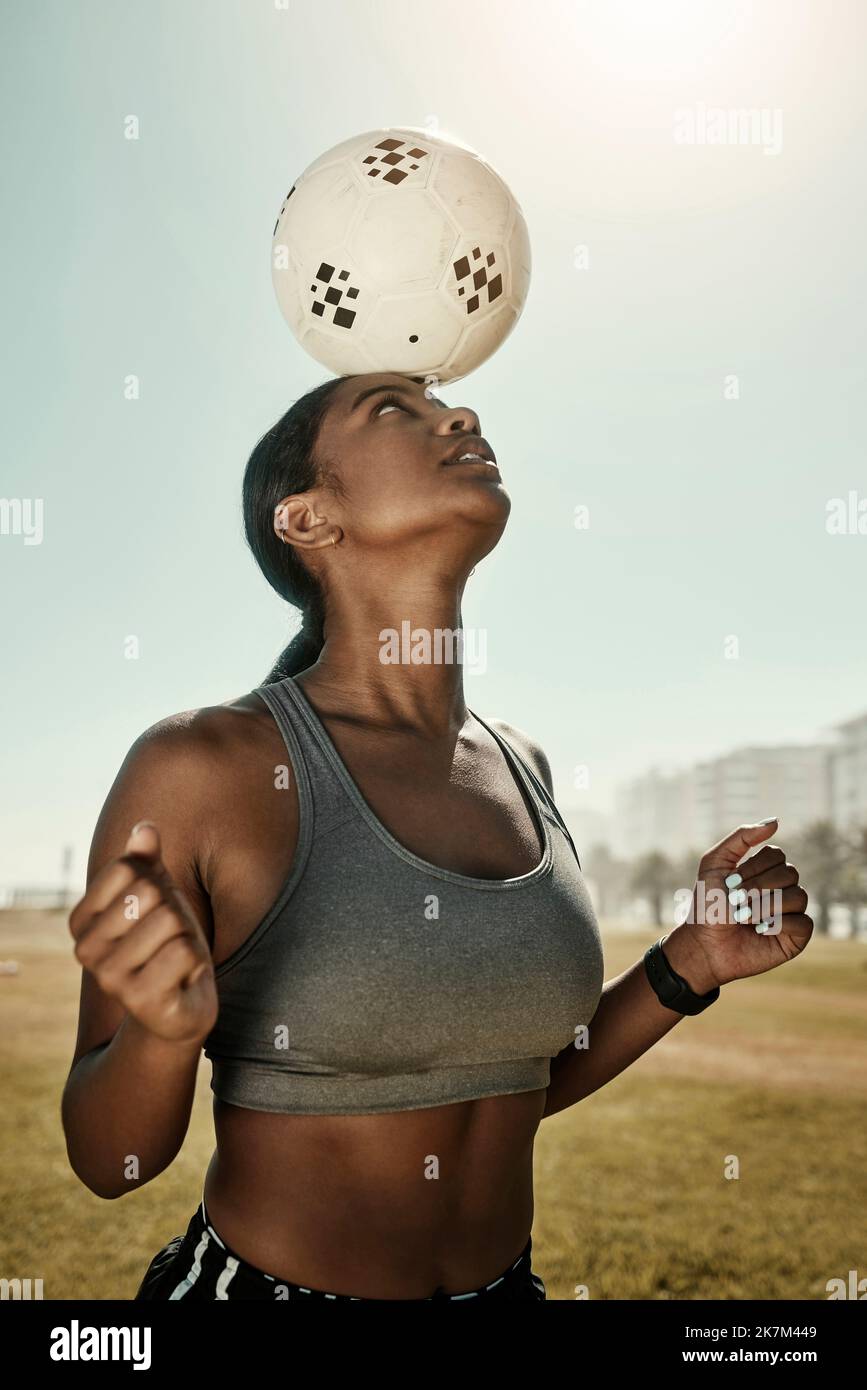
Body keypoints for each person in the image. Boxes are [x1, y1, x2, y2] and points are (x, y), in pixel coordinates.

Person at [61, 372, 813, 1301]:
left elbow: (513, 1083)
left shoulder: (520, 761)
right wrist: (161, 1034)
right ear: (306, 521)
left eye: (443, 405)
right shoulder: (199, 767)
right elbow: (109, 1162)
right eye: (391, 412)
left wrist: (686, 965)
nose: (461, 416)